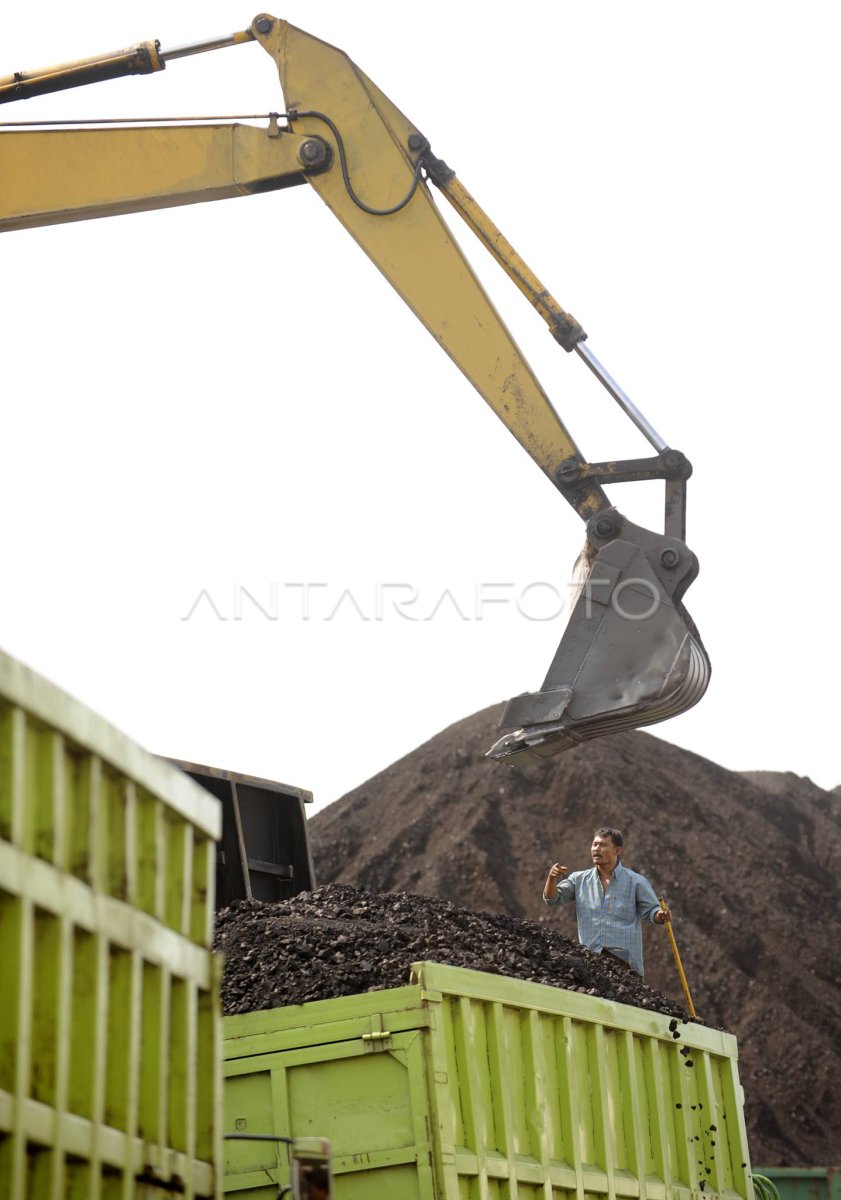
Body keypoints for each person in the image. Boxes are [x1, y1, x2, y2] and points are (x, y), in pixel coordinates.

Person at [542, 826, 670, 976]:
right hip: (590, 959)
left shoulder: (636, 881)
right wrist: (551, 878)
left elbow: (652, 911)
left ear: (617, 850)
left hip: (624, 962)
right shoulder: (579, 879)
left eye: (603, 845)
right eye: (594, 844)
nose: (597, 849)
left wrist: (660, 915)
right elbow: (552, 899)